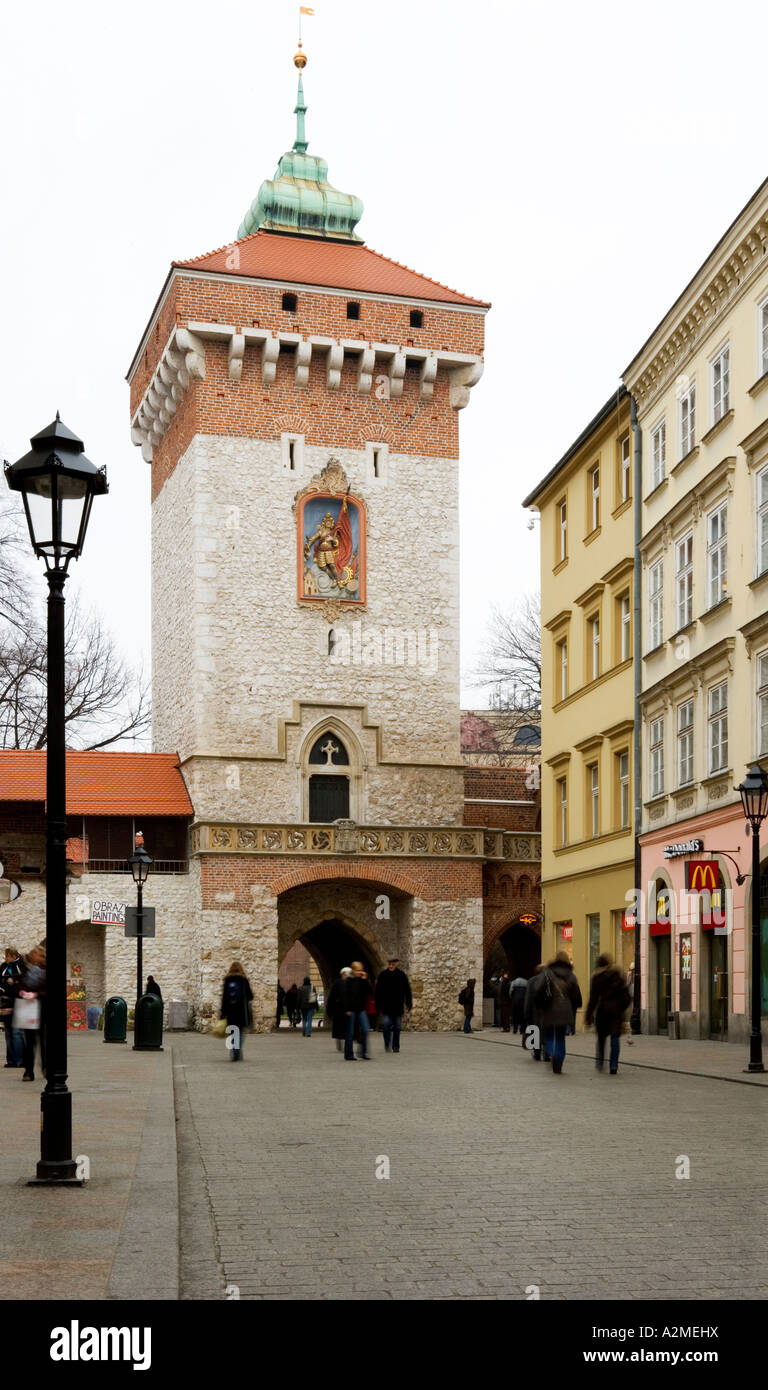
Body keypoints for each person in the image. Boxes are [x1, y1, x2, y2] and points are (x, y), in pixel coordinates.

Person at [535, 951, 582, 1074]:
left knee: (550, 1035)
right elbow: (576, 994)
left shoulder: (547, 973)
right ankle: (559, 1060)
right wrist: (576, 1005)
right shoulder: (571, 975)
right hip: (565, 1010)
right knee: (561, 1037)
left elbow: (539, 988)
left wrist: (539, 1004)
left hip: (549, 1009)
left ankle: (552, 1053)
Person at [586, 953, 631, 1075]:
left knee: (601, 1039)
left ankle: (600, 1062)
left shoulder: (597, 978)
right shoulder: (618, 977)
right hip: (616, 1013)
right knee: (615, 1037)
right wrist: (621, 1007)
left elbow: (593, 999)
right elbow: (627, 997)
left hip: (603, 1011)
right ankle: (613, 1065)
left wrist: (588, 1016)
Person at [16, 946, 46, 1082]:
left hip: (42, 1009)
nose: (34, 955)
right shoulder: (24, 968)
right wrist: (21, 992)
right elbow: (17, 984)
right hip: (28, 1009)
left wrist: (37, 994)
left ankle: (46, 1067)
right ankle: (29, 1071)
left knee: (44, 1041)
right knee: (30, 1042)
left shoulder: (45, 971)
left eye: (37, 954)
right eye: (33, 953)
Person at [375, 957, 413, 1053]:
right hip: (386, 1006)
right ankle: (387, 1043)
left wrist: (408, 1002)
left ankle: (396, 1046)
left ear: (396, 964)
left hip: (398, 1006)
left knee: (397, 1027)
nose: (391, 965)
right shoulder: (383, 975)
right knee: (386, 1025)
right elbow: (378, 991)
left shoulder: (401, 975)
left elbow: (407, 990)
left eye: (393, 963)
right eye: (390, 963)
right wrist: (377, 1004)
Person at [219, 961, 253, 1061]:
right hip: (242, 1011)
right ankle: (236, 1051)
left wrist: (222, 1013)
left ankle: (234, 1050)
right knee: (240, 1032)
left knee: (233, 1032)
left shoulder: (227, 980)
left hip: (230, 1012)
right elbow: (250, 996)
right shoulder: (243, 980)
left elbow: (224, 998)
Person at [342, 961, 370, 1060]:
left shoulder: (362, 980)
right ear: (353, 970)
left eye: (361, 970)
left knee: (366, 1029)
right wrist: (347, 1009)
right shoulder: (349, 981)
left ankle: (363, 1052)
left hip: (361, 1009)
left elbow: (369, 992)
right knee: (350, 1033)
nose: (360, 972)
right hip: (351, 1009)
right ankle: (348, 1054)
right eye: (358, 970)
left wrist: (365, 980)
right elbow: (345, 996)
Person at [1, 947, 24, 1068]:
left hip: (18, 1001)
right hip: (6, 1002)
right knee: (8, 1032)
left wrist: (13, 982)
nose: (6, 958)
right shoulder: (4, 966)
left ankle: (20, 1060)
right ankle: (11, 1061)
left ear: (14, 956)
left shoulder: (21, 965)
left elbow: (24, 982)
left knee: (16, 1032)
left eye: (8, 956)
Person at [326, 967, 351, 1052]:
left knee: (346, 1027)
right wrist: (330, 1010)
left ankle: (346, 1042)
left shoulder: (350, 983)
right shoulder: (337, 983)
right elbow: (331, 997)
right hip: (339, 1009)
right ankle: (339, 1041)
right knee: (339, 1027)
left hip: (347, 1008)